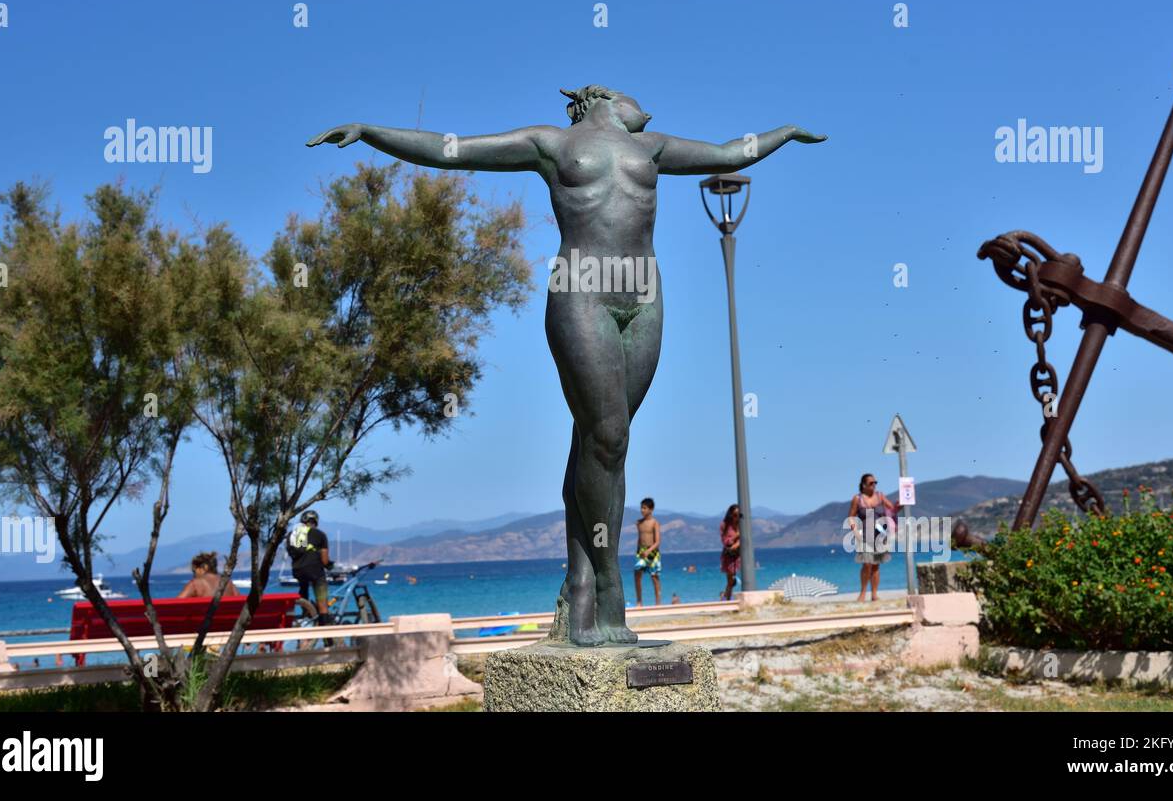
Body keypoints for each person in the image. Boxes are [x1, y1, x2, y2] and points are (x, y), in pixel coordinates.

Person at [308, 89, 824, 646]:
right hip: (581, 290)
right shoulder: (550, 143)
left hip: (644, 295)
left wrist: (784, 132)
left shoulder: (653, 148)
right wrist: (370, 131)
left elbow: (730, 155)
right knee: (608, 438)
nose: (647, 110)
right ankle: (606, 587)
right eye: (637, 101)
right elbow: (451, 150)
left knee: (603, 444)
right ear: (601, 98)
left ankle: (580, 584)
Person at [848, 473, 900, 602]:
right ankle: (863, 593)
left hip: (880, 535)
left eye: (875, 482)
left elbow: (892, 509)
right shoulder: (857, 499)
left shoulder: (880, 496)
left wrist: (900, 504)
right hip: (864, 536)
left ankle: (874, 594)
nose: (874, 485)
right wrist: (855, 532)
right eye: (871, 483)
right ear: (864, 485)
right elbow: (851, 517)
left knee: (876, 565)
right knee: (866, 564)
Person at [287, 510, 332, 625]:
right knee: (322, 601)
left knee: (303, 586)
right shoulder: (320, 535)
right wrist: (329, 565)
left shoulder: (292, 534)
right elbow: (324, 560)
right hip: (315, 570)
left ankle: (305, 612)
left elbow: (292, 553)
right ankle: (326, 630)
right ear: (315, 522)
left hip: (298, 571)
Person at [633, 497, 662, 606]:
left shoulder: (654, 523)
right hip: (641, 552)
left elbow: (658, 541)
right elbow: (639, 539)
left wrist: (649, 551)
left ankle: (658, 602)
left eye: (644, 508)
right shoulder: (639, 523)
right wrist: (638, 551)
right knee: (637, 574)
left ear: (651, 509)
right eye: (641, 508)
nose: (642, 510)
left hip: (653, 551)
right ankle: (639, 601)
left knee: (654, 577)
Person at [177, 551, 242, 599]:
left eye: (194, 571)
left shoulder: (195, 584)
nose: (194, 575)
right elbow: (240, 601)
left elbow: (177, 603)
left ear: (204, 567)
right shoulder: (228, 583)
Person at [719, 504, 742, 601]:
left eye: (738, 515)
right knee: (730, 581)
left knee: (732, 580)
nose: (736, 517)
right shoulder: (724, 525)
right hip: (729, 555)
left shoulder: (741, 524)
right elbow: (725, 541)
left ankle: (726, 599)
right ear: (730, 514)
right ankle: (726, 600)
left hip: (739, 555)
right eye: (734, 515)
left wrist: (737, 543)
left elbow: (743, 539)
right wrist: (736, 536)